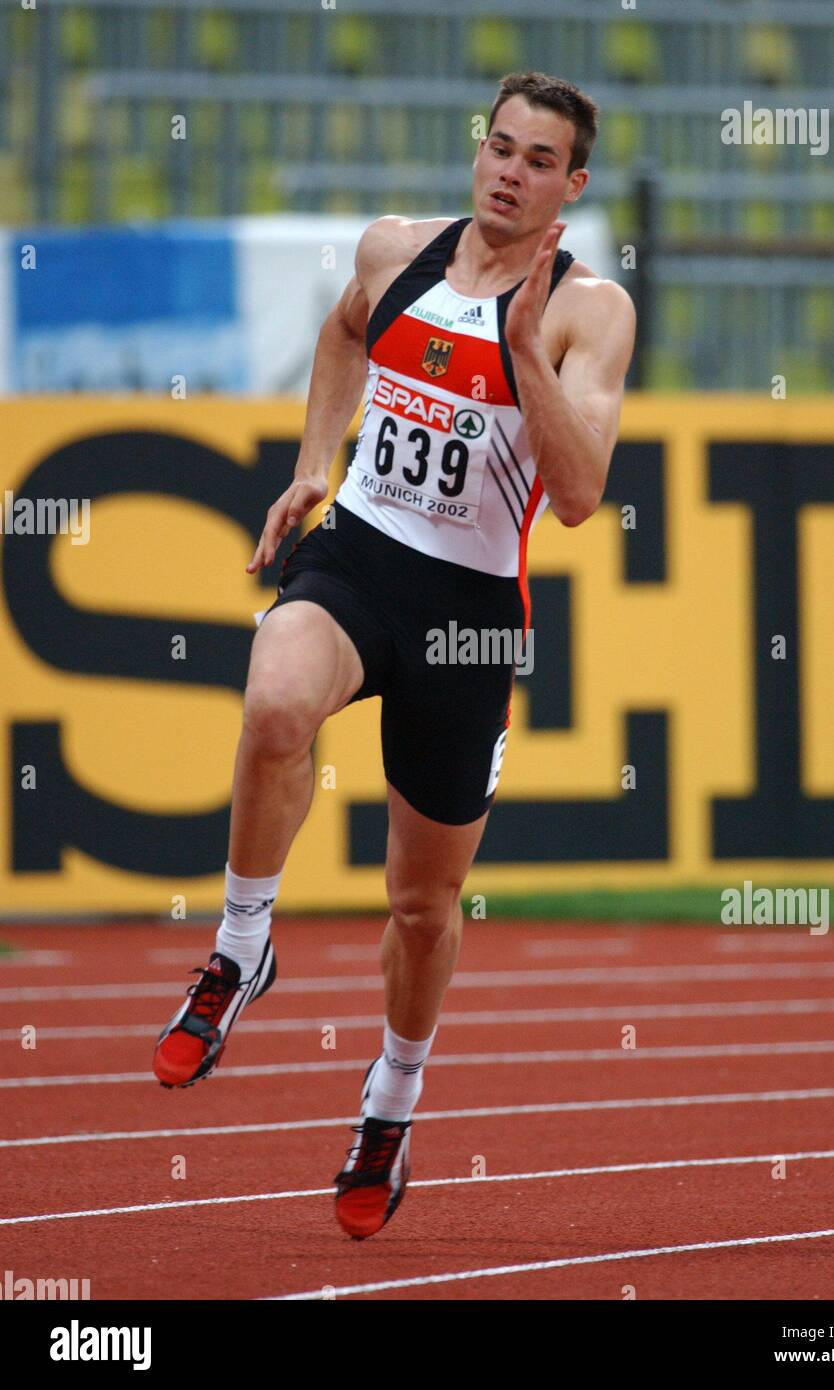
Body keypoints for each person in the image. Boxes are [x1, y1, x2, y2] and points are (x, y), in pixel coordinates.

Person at [153, 71, 636, 1240]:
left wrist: (521, 348)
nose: (509, 171)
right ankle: (237, 950)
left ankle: (388, 1103)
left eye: (538, 160)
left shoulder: (588, 309)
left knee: (422, 904)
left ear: (571, 184)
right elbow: (340, 337)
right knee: (275, 700)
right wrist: (314, 464)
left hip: (467, 616)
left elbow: (576, 498)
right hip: (359, 559)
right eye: (499, 147)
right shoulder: (392, 251)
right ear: (478, 150)